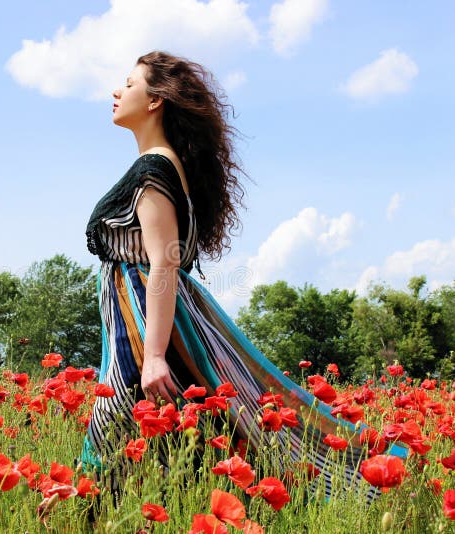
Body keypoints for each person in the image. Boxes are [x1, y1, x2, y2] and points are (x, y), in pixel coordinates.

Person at [81, 50, 406, 503]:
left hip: (142, 323)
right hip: (147, 316)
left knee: (114, 426)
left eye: (129, 84)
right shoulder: (164, 165)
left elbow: (163, 262)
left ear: (156, 101)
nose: (117, 92)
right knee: (164, 433)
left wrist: (152, 354)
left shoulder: (153, 169)